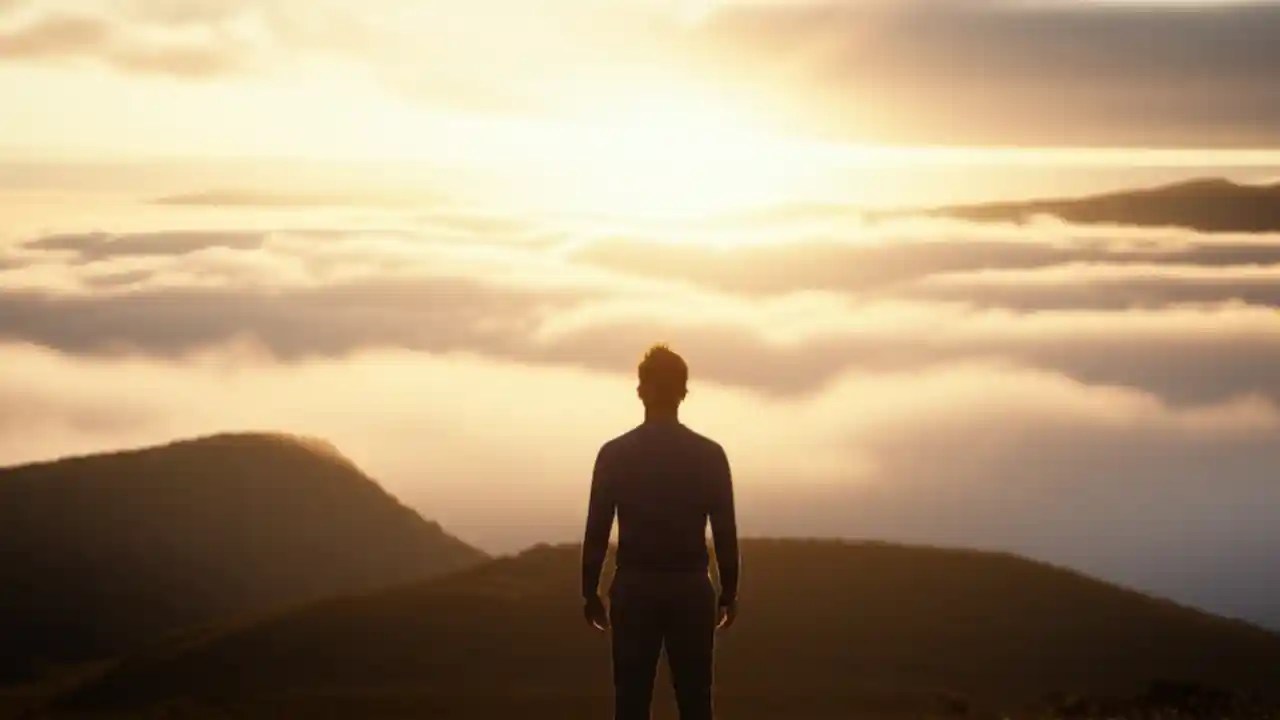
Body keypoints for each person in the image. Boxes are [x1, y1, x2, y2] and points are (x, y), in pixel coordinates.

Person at [581, 344, 740, 720]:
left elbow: (598, 528)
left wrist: (590, 591)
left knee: (631, 703)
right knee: (696, 701)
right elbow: (724, 529)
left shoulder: (614, 454)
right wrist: (729, 590)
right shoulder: (710, 455)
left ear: (641, 390)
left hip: (635, 587)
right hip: (690, 587)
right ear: (684, 392)